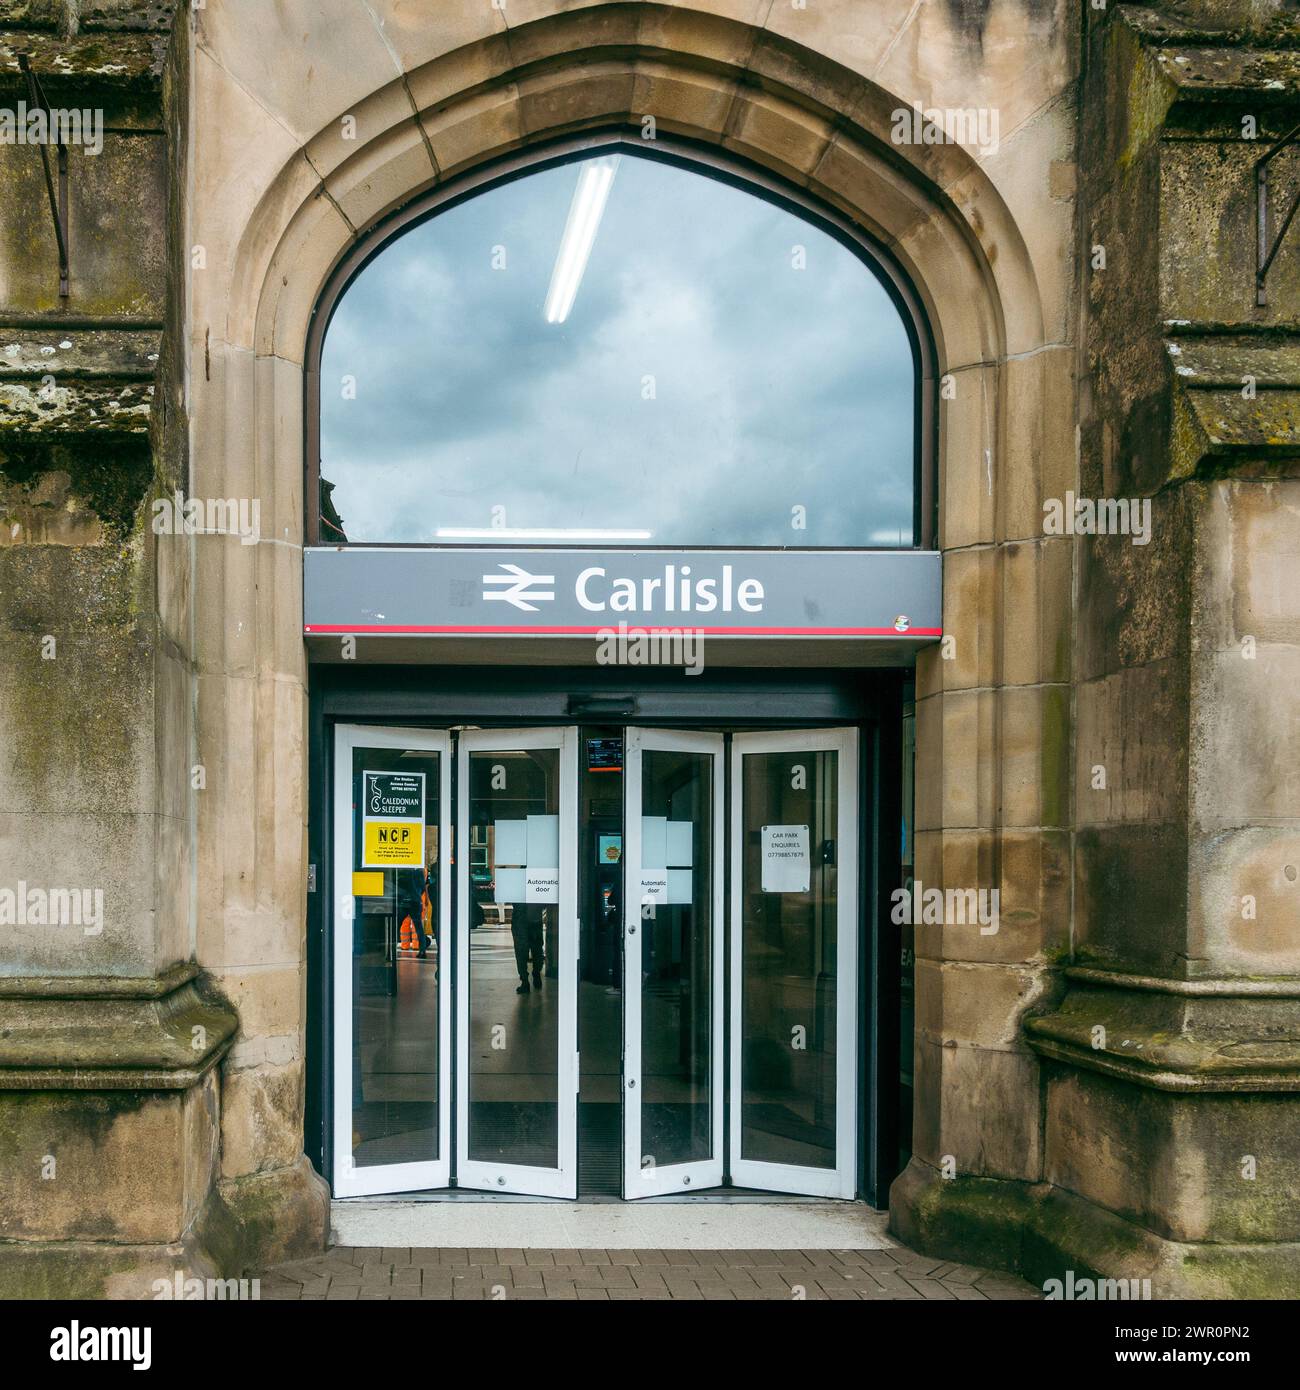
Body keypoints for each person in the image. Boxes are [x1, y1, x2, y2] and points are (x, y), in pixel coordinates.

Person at [511, 902, 545, 994]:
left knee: (521, 951)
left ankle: (525, 981)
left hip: (520, 917)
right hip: (535, 916)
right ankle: (536, 974)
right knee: (537, 949)